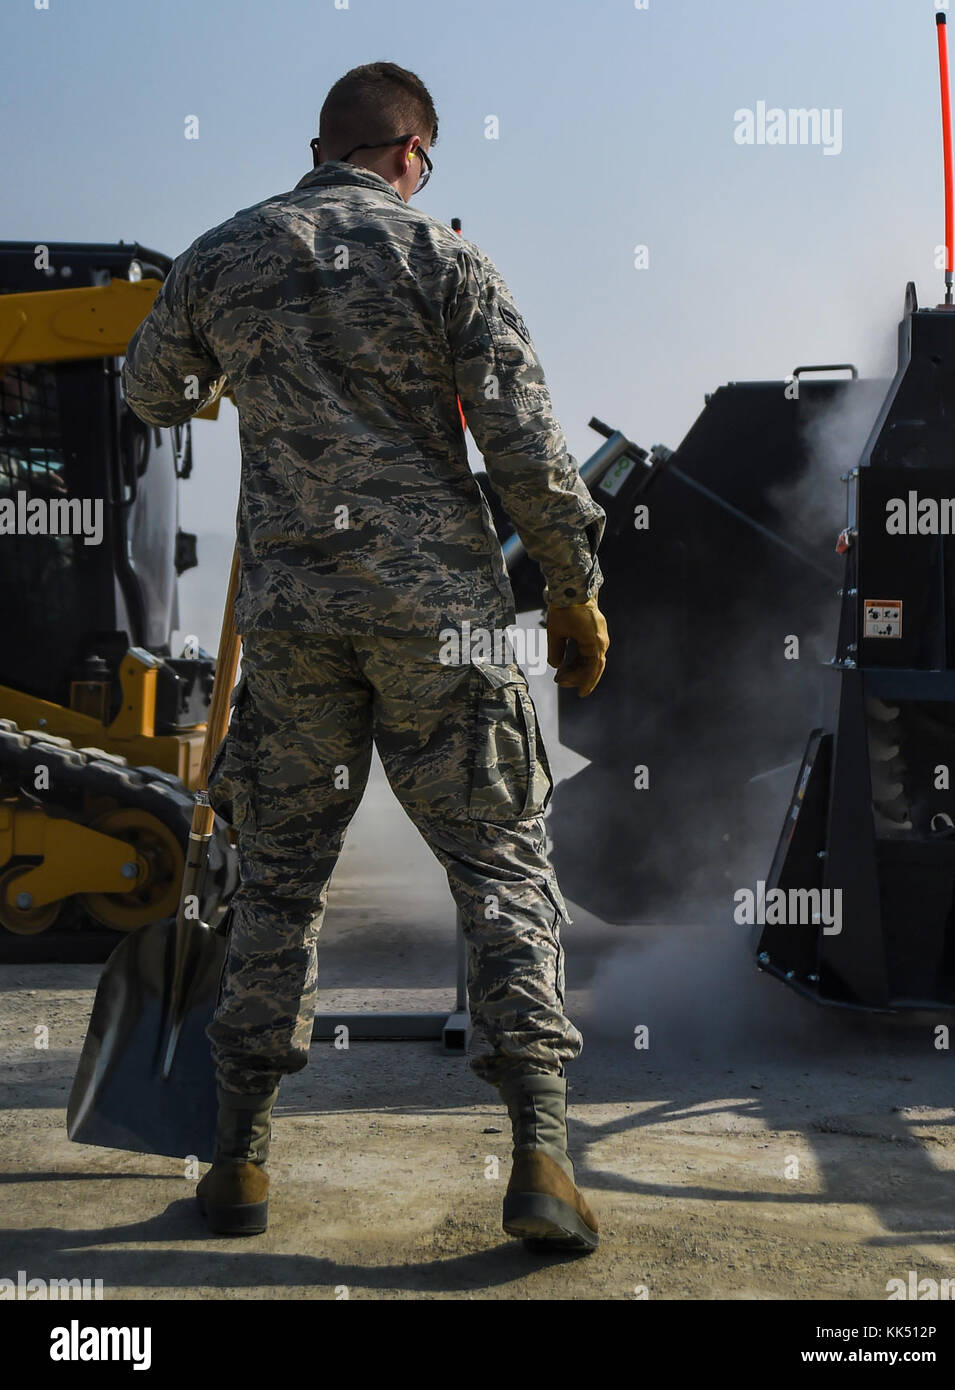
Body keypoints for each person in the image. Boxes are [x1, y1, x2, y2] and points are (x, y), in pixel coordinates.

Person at [122, 60, 609, 1253]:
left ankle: (236, 1162)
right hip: (439, 615)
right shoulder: (444, 259)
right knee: (497, 861)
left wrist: (241, 377)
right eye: (425, 159)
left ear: (319, 145)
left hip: (292, 620)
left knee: (278, 880)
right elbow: (528, 451)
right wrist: (575, 591)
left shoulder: (225, 256)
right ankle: (540, 1151)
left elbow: (149, 390)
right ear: (407, 151)